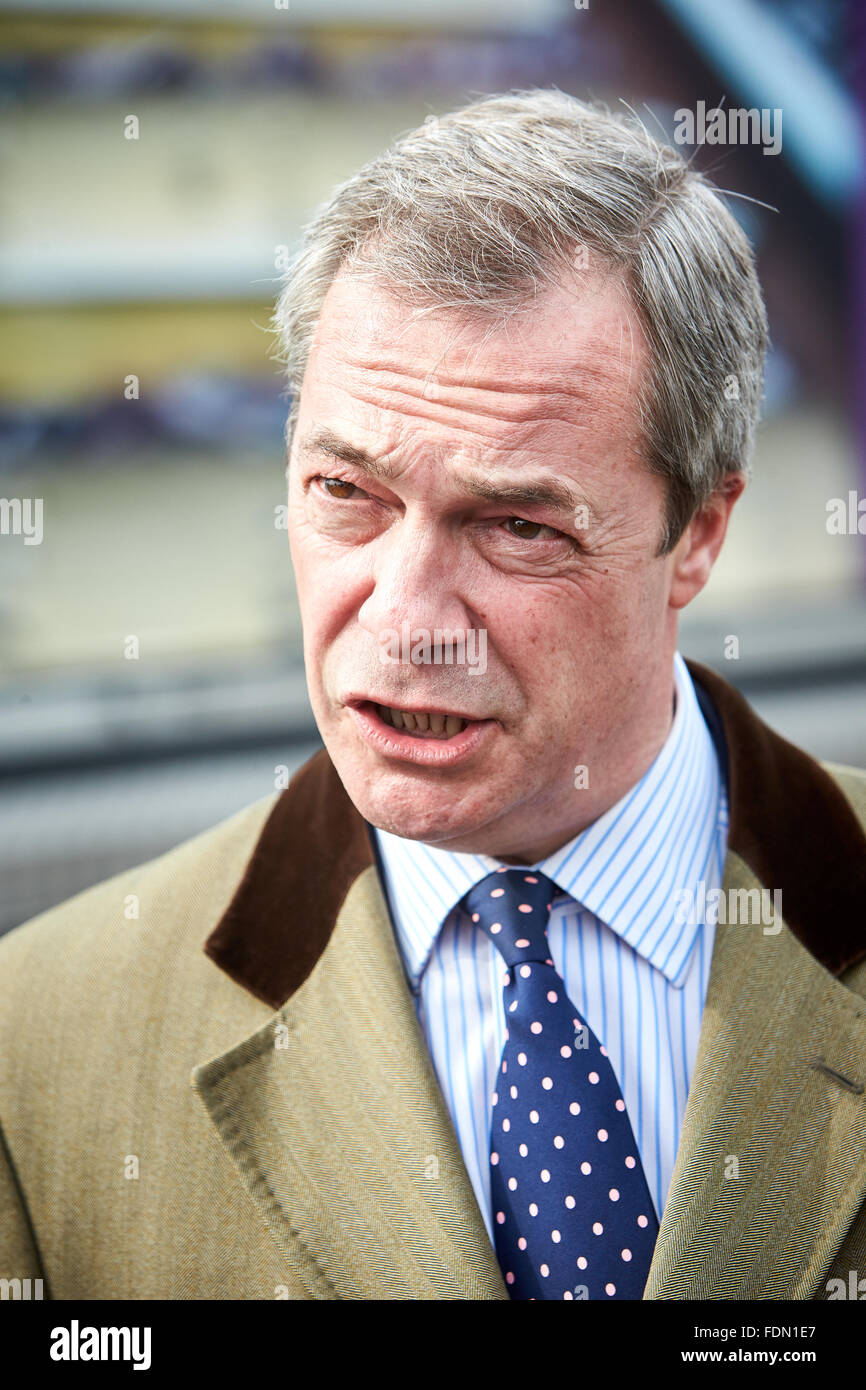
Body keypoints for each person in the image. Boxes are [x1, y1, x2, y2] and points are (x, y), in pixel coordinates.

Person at [1, 89, 864, 1302]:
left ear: (697, 534)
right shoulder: (33, 1050)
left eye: (513, 525)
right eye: (346, 494)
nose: (404, 619)